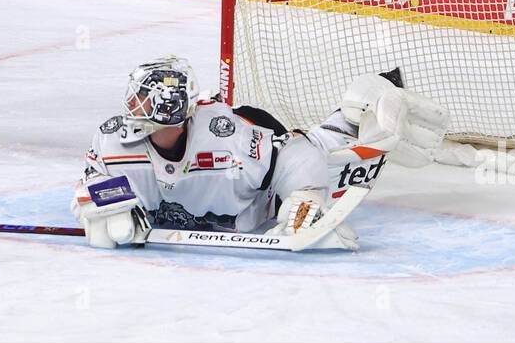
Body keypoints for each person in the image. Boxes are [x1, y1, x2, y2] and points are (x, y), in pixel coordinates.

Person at [71, 59, 451, 249]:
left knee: (321, 152)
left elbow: (295, 154)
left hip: (260, 189)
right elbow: (91, 182)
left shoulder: (227, 136)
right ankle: (353, 110)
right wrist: (115, 207)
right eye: (134, 98)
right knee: (316, 148)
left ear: (169, 110)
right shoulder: (113, 140)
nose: (132, 108)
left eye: (143, 101)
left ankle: (369, 96)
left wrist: (303, 201)